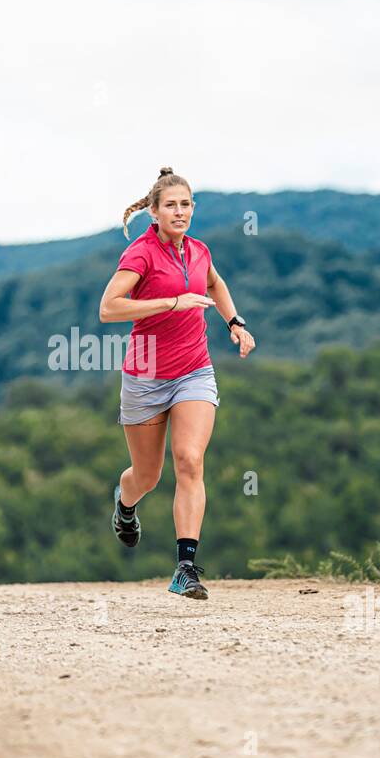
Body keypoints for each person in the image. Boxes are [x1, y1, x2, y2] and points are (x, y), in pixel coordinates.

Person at [98, 167, 256, 599]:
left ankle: (185, 567)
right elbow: (109, 308)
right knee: (146, 476)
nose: (180, 211)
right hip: (146, 376)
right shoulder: (141, 253)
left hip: (194, 371)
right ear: (154, 211)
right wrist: (172, 301)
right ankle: (125, 504)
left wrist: (235, 323)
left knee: (189, 460)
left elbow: (216, 283)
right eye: (171, 205)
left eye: (186, 204)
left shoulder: (200, 251)